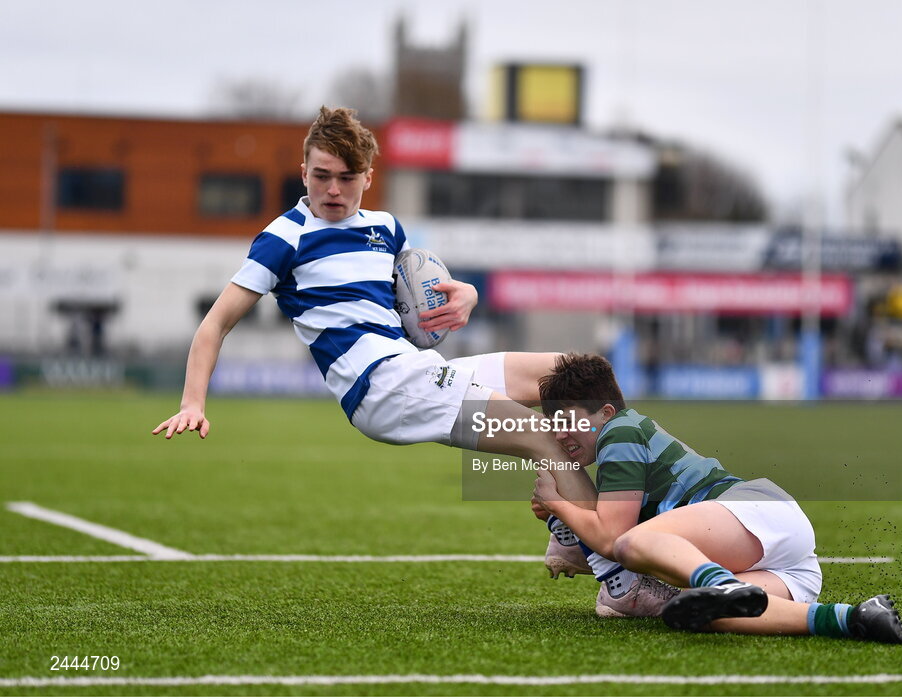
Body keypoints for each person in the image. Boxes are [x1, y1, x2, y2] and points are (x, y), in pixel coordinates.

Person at [152, 106, 598, 510]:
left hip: (418, 369)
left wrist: (468, 295)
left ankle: (568, 528)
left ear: (368, 177)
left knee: (577, 376)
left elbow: (420, 291)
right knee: (546, 438)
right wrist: (193, 402)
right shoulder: (282, 238)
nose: (333, 189)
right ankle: (617, 574)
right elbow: (215, 324)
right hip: (381, 389)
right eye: (321, 175)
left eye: (347, 177)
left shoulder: (386, 228)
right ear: (303, 171)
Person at [531, 353, 902, 643]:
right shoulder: (622, 433)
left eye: (568, 420)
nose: (561, 434)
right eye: (554, 425)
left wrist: (558, 505)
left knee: (633, 542)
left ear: (606, 412)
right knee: (708, 615)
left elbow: (614, 539)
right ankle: (853, 617)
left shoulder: (620, 431)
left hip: (753, 512)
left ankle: (724, 585)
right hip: (791, 563)